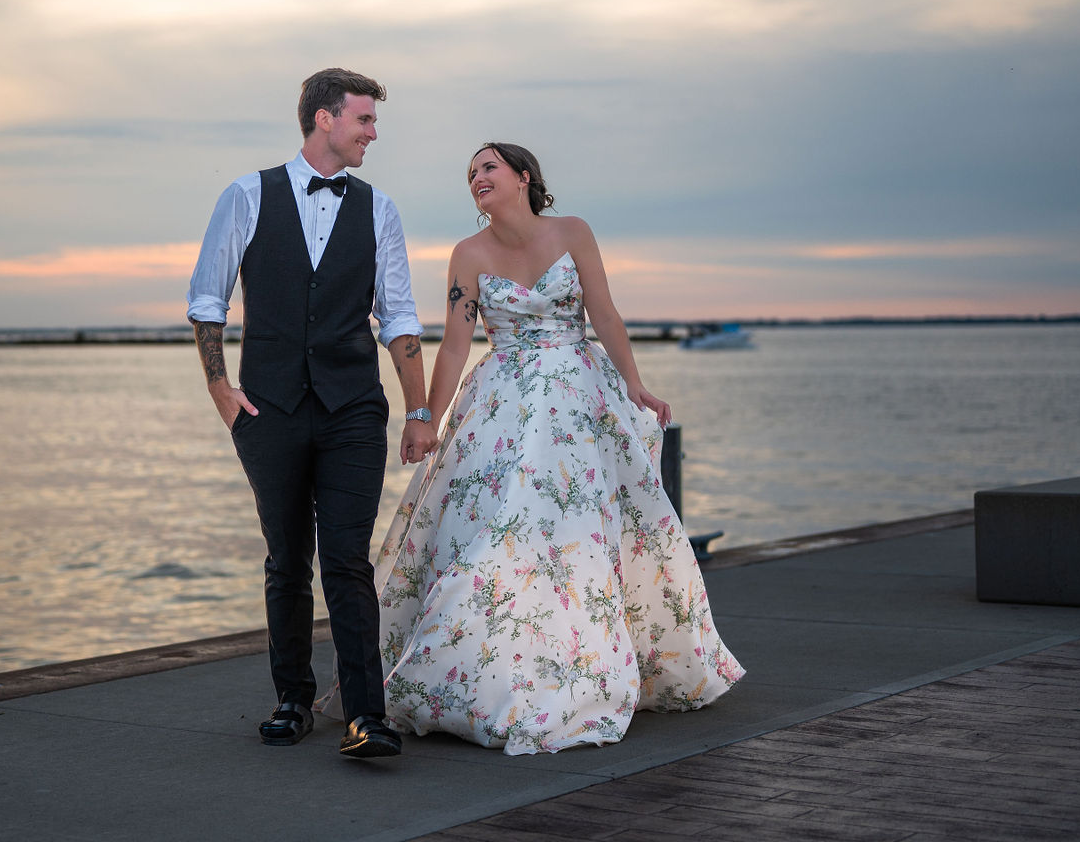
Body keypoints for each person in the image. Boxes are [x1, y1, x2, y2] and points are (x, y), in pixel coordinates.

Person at [368, 142, 744, 755]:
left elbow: (605, 314)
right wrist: (426, 420)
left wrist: (635, 385)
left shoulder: (573, 233)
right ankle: (486, 676)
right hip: (502, 405)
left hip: (578, 400)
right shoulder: (468, 255)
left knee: (583, 537)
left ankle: (587, 673)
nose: (477, 179)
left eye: (488, 167)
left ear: (523, 177)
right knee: (492, 534)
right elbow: (457, 348)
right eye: (470, 174)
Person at [187, 67, 436, 758]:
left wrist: (418, 409)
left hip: (354, 406)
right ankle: (293, 698)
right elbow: (208, 300)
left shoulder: (379, 209)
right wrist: (221, 393)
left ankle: (366, 715)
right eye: (364, 119)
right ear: (324, 119)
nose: (372, 133)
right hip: (269, 406)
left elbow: (400, 316)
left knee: (347, 560)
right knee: (287, 557)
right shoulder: (245, 195)